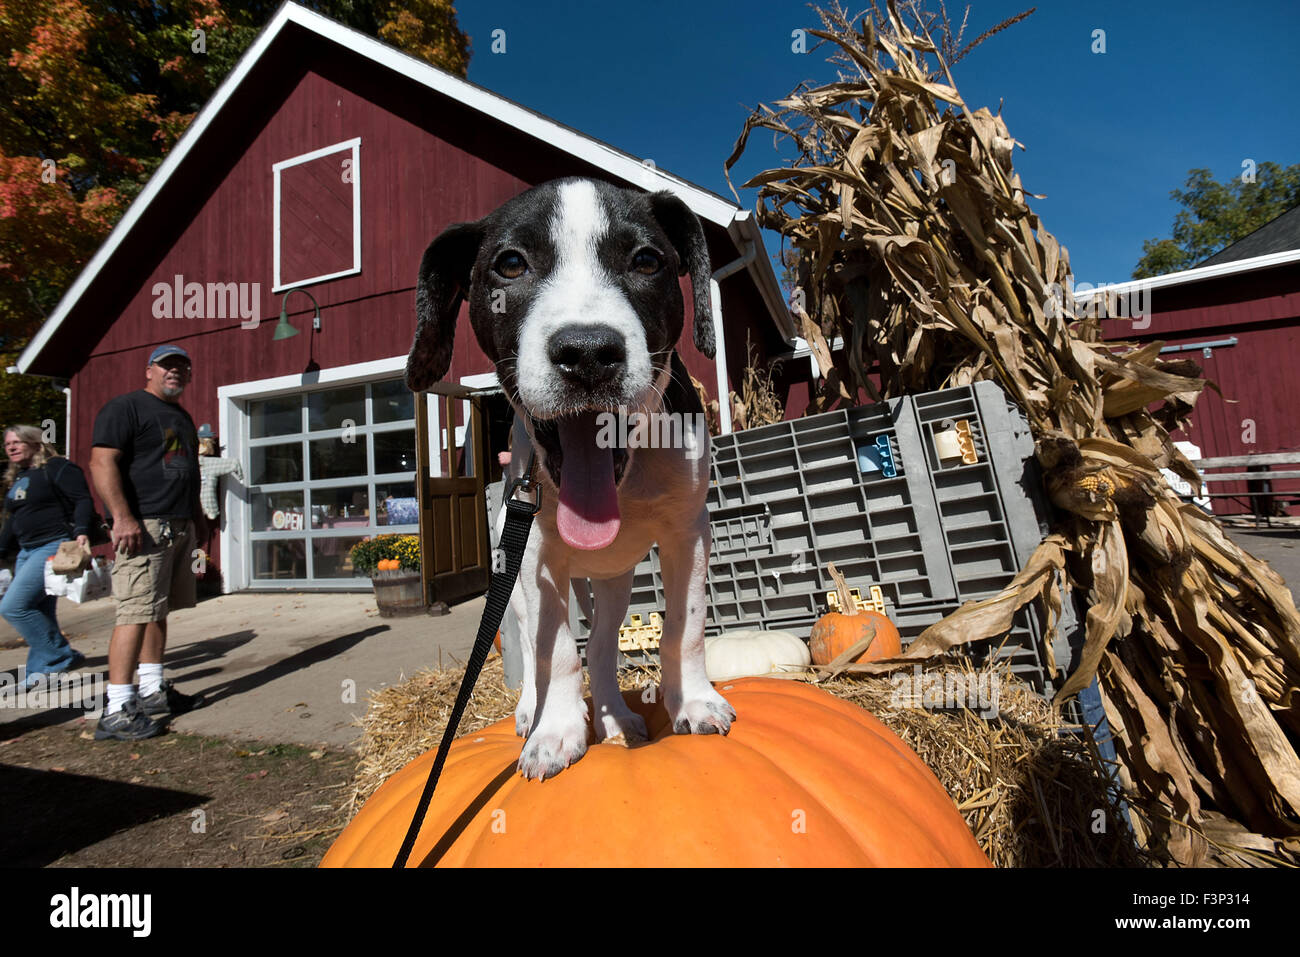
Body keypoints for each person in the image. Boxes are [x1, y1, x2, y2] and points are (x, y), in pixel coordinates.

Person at [89, 344, 207, 740]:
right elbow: (101, 462)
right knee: (135, 611)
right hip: (143, 525)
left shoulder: (181, 417)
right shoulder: (126, 408)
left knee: (158, 610)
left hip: (177, 525)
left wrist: (197, 519)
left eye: (182, 367)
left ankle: (152, 691)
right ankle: (117, 708)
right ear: (149, 371)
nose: (175, 372)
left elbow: (185, 469)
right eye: (167, 366)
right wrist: (122, 517)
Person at [0, 425, 93, 688]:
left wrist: (82, 531)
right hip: (26, 551)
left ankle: (60, 654)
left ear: (34, 443)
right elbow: (13, 519)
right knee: (41, 611)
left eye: (18, 442)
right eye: (8, 444)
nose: (12, 448)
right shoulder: (21, 476)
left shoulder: (56, 467)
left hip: (53, 546)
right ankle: (39, 674)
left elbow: (82, 499)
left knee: (13, 607)